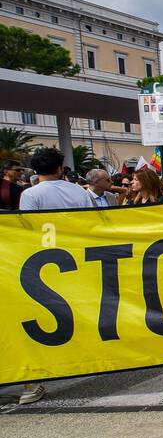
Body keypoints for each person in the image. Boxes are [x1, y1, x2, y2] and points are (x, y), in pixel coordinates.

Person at [17, 148, 94, 404]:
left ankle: (40, 375)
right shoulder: (78, 191)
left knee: (48, 312)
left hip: (44, 262)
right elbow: (91, 223)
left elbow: (26, 229)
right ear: (60, 167)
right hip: (77, 255)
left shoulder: (30, 194)